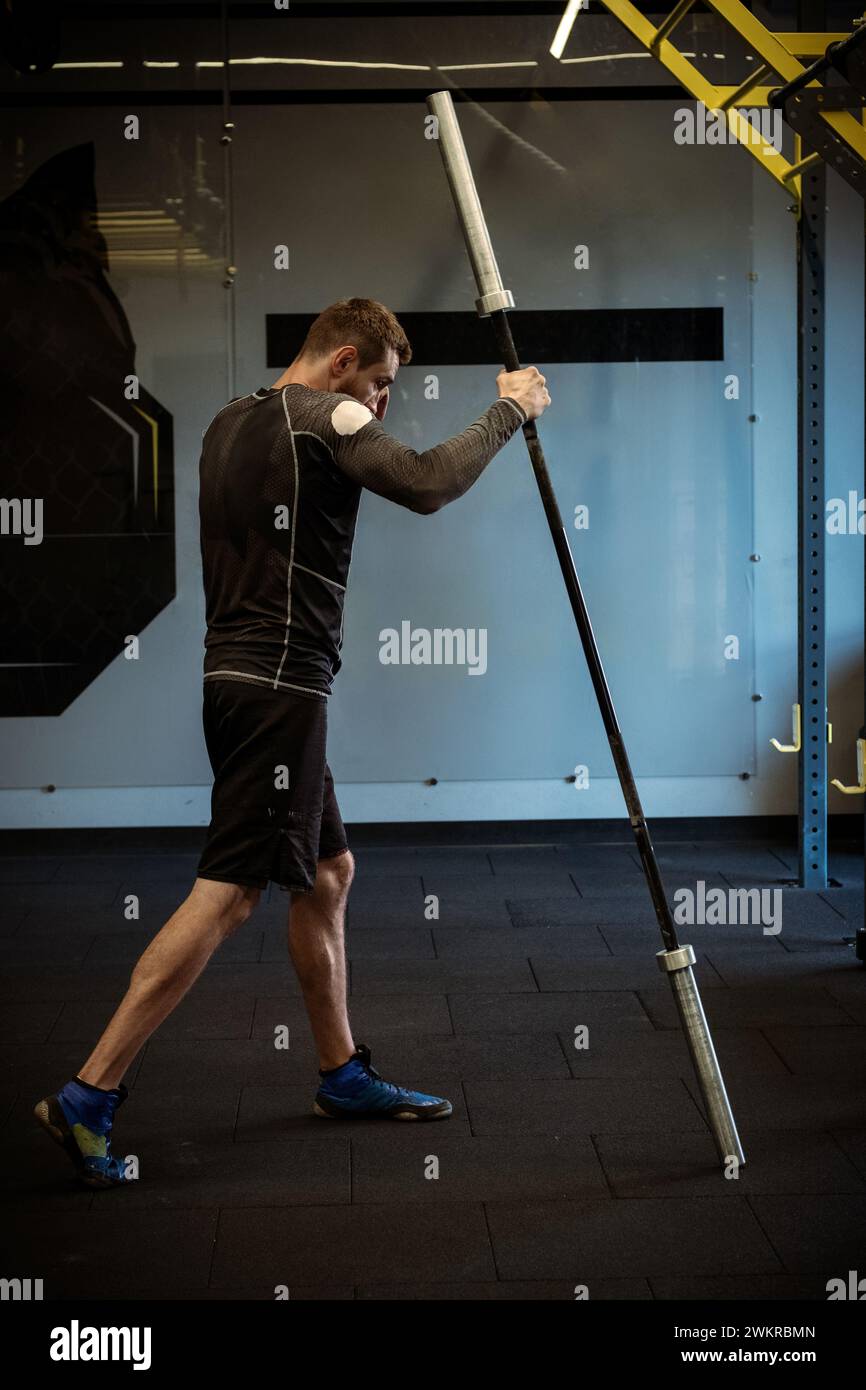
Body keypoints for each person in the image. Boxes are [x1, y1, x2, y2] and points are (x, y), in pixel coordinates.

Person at [34, 296, 551, 1186]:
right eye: (383, 383)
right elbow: (427, 482)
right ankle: (90, 1091)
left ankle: (341, 1072)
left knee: (328, 870)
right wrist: (509, 409)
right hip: (279, 694)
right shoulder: (328, 413)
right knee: (230, 896)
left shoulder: (228, 424)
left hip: (239, 685)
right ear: (343, 359)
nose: (383, 403)